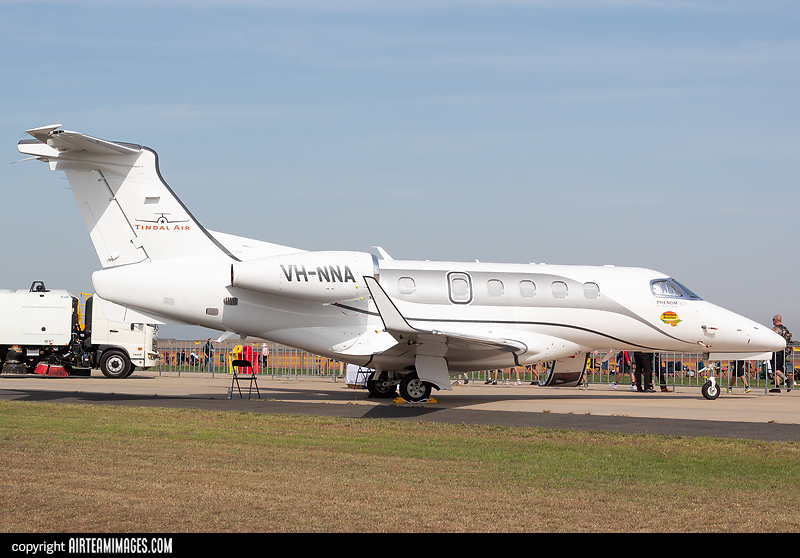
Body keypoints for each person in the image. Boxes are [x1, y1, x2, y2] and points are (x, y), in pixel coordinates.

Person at [771, 315, 792, 393]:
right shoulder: (785, 329)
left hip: (777, 351)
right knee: (778, 369)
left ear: (775, 320)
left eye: (773, 319)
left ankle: (787, 380)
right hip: (784, 351)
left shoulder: (776, 329)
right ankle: (777, 387)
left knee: (775, 369)